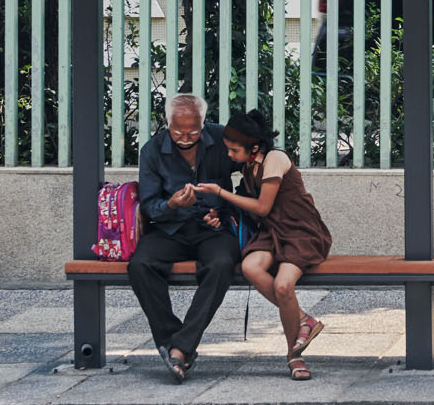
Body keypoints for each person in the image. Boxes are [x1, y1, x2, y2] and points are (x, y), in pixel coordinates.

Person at [196, 108, 333, 381]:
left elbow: (261, 206)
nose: (229, 156)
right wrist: (219, 213)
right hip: (271, 232)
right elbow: (246, 202)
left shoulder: (275, 159)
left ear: (253, 147)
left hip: (300, 232)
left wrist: (219, 193)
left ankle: (294, 357)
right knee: (250, 266)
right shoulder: (250, 164)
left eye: (234, 150)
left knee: (284, 285)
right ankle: (304, 319)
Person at [129, 93, 239, 382]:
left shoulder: (221, 137)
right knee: (140, 265)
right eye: (178, 131)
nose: (186, 138)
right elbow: (149, 206)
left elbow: (254, 161)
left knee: (222, 264)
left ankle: (180, 348)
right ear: (167, 124)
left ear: (204, 123)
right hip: (170, 229)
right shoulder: (152, 151)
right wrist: (172, 205)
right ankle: (175, 342)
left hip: (214, 229)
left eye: (193, 131)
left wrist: (226, 207)